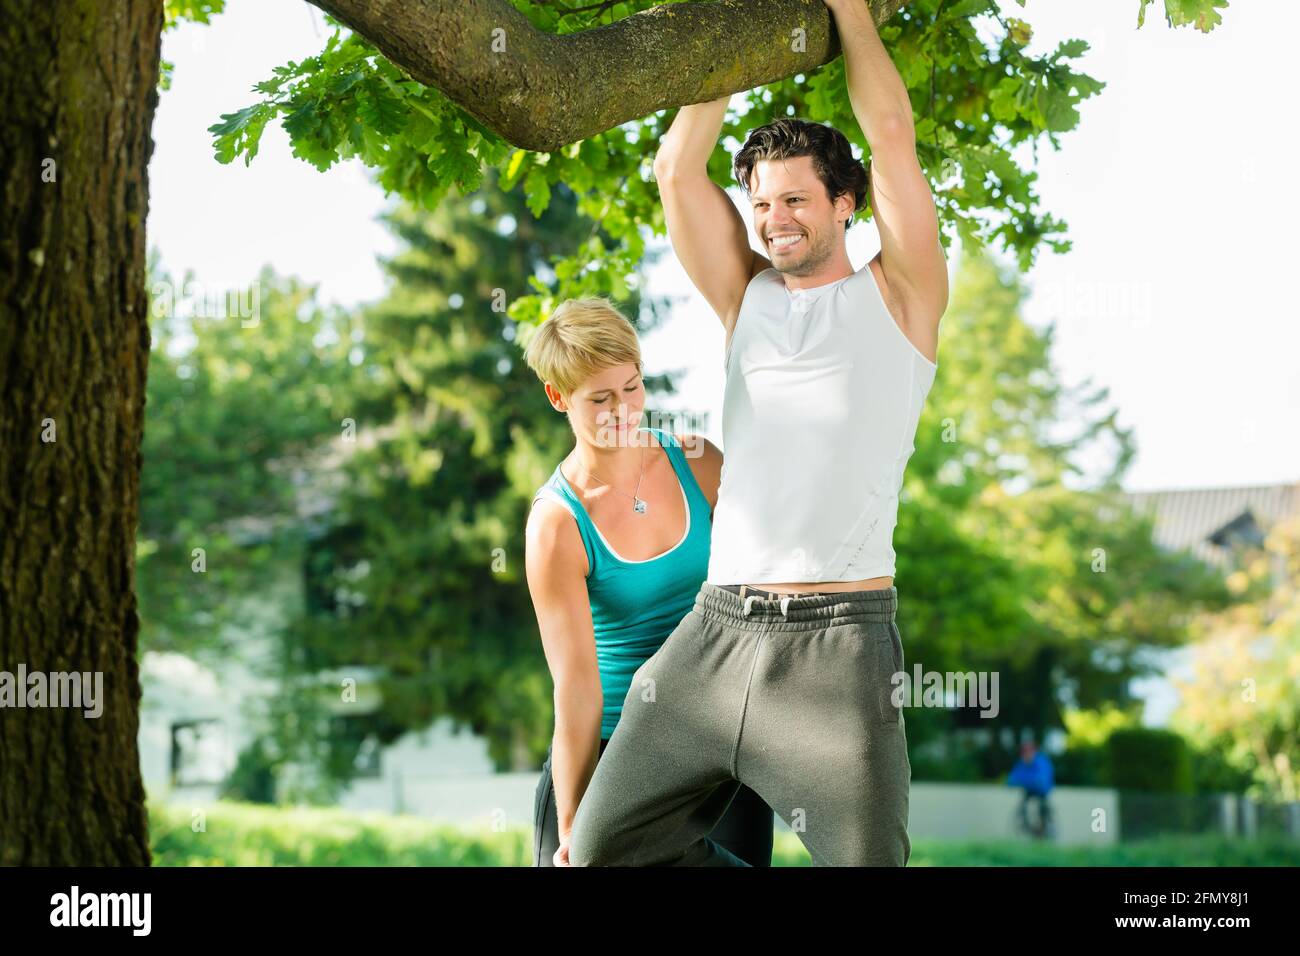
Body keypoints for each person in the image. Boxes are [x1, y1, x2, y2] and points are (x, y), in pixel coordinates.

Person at [566, 0, 947, 866]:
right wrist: (733, 32)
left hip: (838, 648)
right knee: (596, 853)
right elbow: (675, 168)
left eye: (797, 199)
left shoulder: (902, 295)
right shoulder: (747, 299)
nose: (775, 216)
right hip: (715, 633)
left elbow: (889, 130)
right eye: (762, 201)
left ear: (846, 202)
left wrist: (849, 8)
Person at [522, 297, 775, 867]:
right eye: (601, 398)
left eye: (632, 387)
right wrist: (574, 824)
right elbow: (577, 689)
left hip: (717, 754)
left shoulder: (700, 464)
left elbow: (764, 598)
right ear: (558, 398)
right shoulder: (558, 525)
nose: (624, 409)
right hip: (615, 756)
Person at [1007, 740, 1055, 837]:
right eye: (1024, 752)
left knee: (1043, 808)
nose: (1027, 755)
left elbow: (1042, 781)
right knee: (1023, 808)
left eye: (1029, 752)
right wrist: (1027, 782)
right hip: (1028, 791)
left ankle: (1044, 827)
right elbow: (1012, 779)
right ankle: (1026, 827)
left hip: (1042, 792)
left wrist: (1024, 781)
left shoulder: (1042, 762)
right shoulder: (1021, 763)